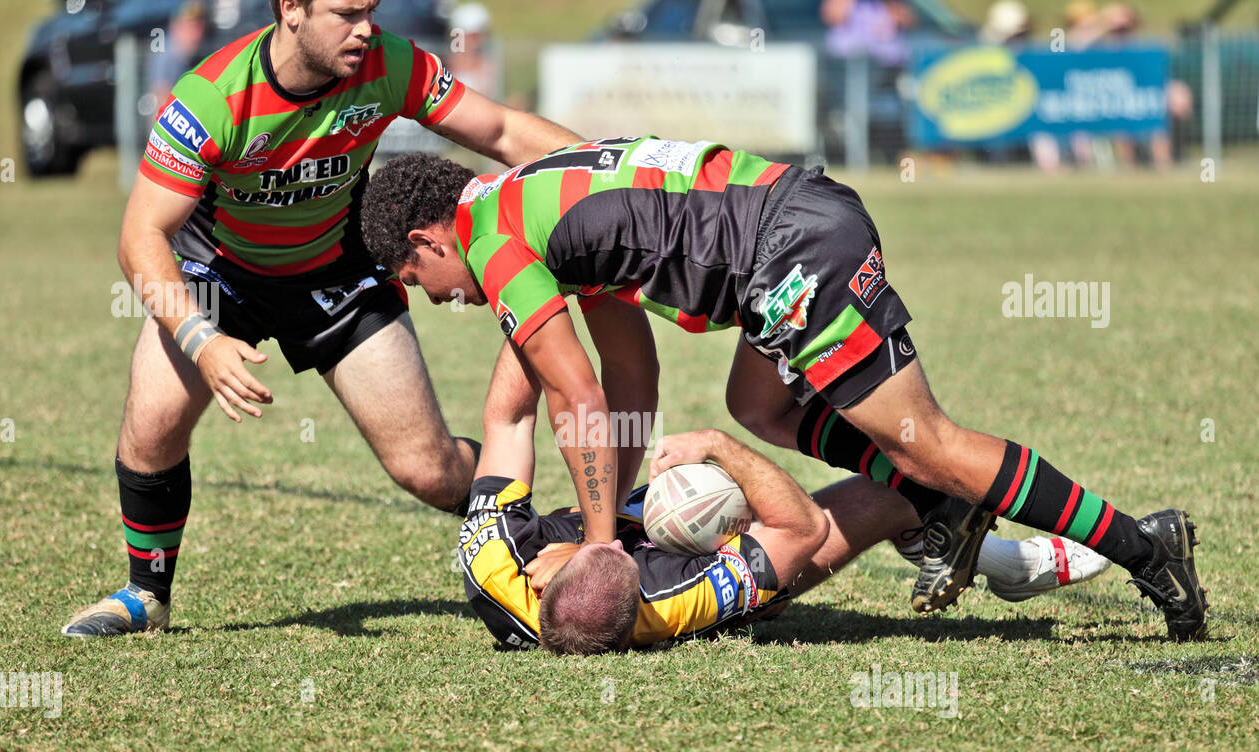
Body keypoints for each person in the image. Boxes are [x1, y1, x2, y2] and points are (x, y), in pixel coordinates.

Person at [360, 135, 1208, 640]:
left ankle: (1143, 549)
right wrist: (607, 514)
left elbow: (574, 402)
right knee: (757, 405)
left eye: (416, 278)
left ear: (425, 238)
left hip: (790, 252)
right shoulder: (529, 198)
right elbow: (628, 378)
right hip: (788, 227)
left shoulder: (498, 244)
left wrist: (598, 551)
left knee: (935, 445)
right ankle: (930, 503)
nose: (439, 298)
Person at [61, 0, 587, 636]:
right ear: (291, 10)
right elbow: (140, 235)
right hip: (218, 272)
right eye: (345, 13)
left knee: (428, 468)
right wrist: (201, 342)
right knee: (153, 423)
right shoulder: (211, 98)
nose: (365, 28)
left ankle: (566, 531)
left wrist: (605, 168)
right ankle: (146, 594)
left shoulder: (389, 62)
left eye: (370, 10)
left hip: (335, 271)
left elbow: (501, 130)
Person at [459, 343, 1111, 654]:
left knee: (900, 497)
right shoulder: (672, 601)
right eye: (625, 552)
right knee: (888, 493)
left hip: (620, 533)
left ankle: (938, 537)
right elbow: (797, 528)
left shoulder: (493, 560)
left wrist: (532, 306)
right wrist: (721, 448)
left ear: (554, 570)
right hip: (744, 548)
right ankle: (1013, 568)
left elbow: (507, 420)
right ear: (638, 596)